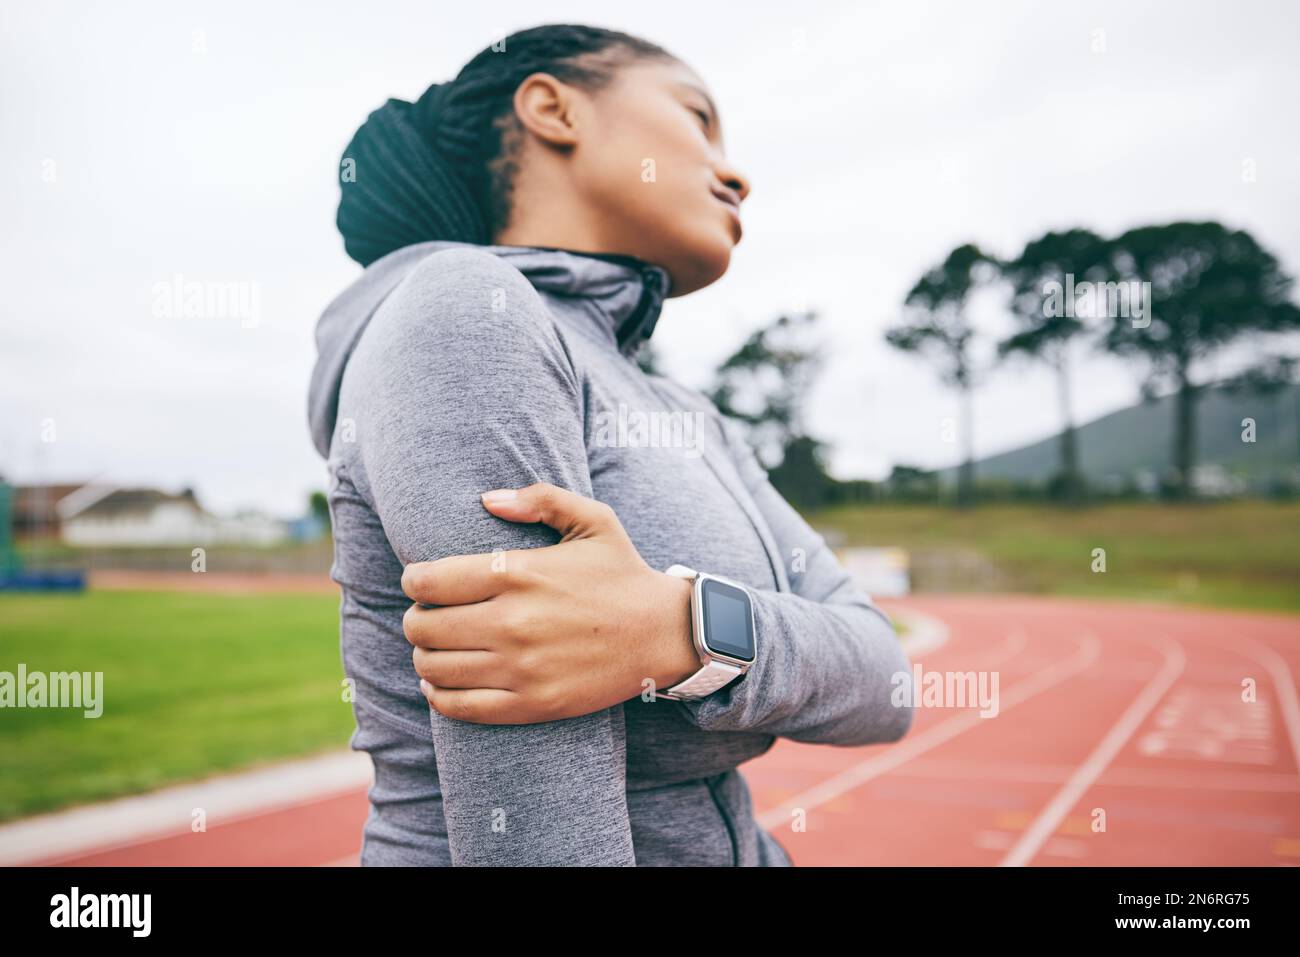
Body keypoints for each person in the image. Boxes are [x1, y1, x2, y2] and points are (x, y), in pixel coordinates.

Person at [307, 22, 914, 866]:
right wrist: (749, 646)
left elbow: (886, 678)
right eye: (698, 118)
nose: (735, 170)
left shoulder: (685, 411)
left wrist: (682, 630)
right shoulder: (465, 315)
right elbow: (538, 836)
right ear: (552, 109)